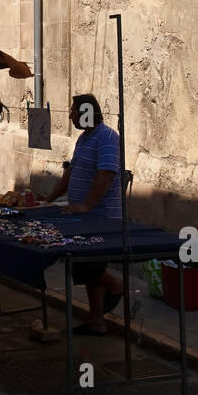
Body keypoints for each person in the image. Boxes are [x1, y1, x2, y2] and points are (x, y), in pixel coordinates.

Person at [45, 94, 124, 336]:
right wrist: (48, 198)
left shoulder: (108, 138)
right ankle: (96, 320)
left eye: (74, 111)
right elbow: (71, 173)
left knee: (89, 267)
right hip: (84, 215)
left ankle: (116, 285)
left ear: (87, 112)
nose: (70, 115)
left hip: (101, 216)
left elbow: (106, 175)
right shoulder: (83, 139)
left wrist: (88, 205)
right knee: (86, 265)